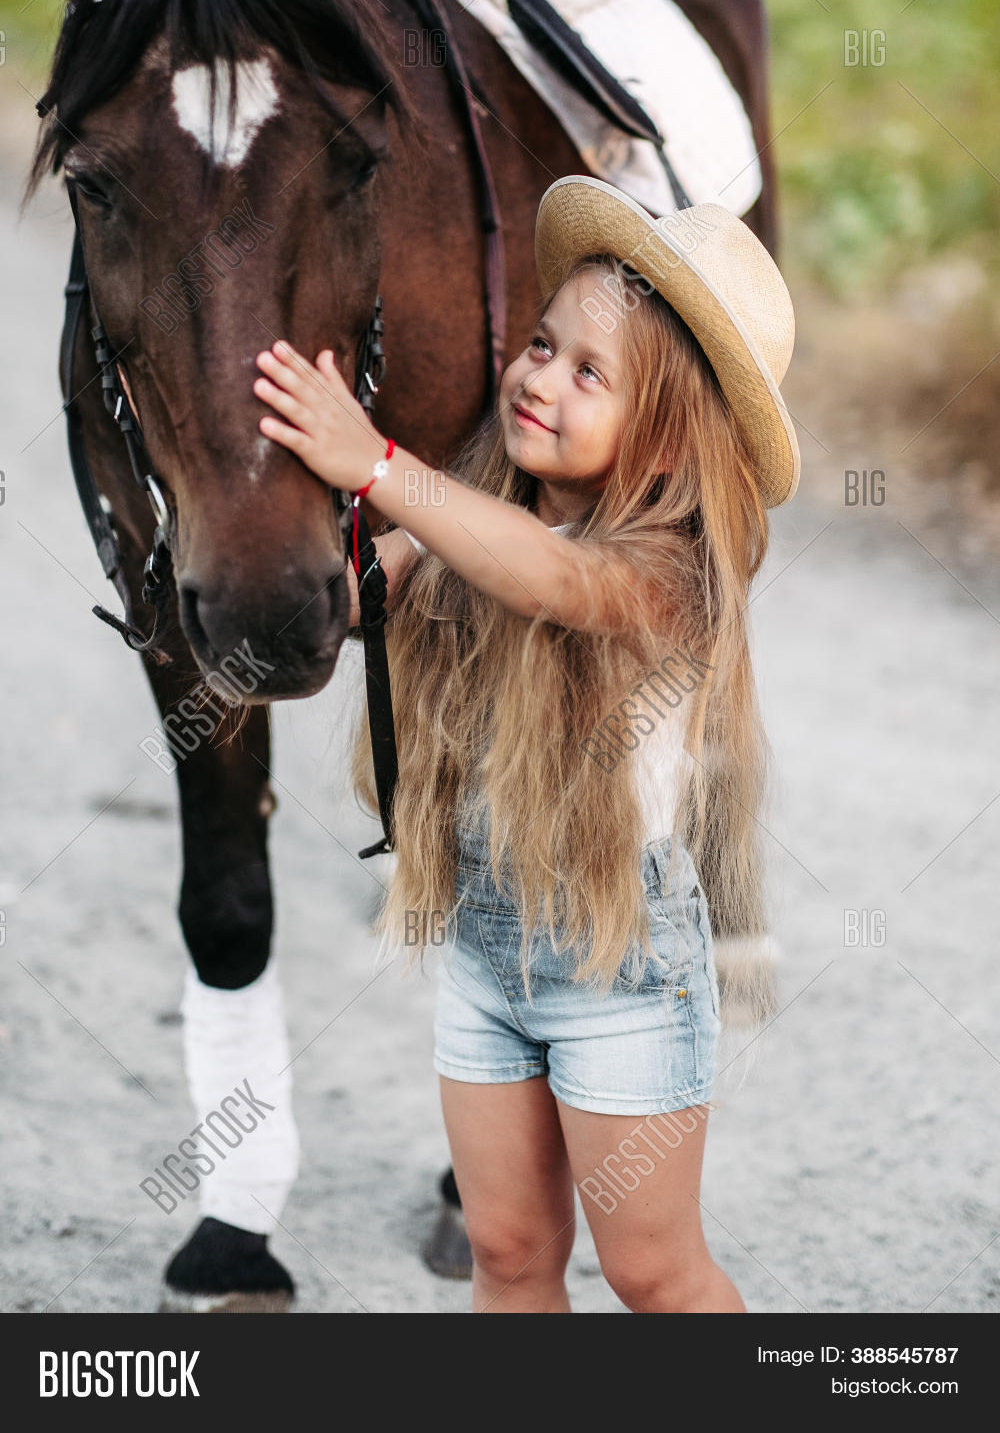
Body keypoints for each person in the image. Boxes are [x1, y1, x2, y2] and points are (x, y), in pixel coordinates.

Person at [253, 174, 800, 1313]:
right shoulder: (477, 507)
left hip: (620, 958)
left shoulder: (674, 571)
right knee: (505, 1253)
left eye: (586, 372)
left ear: (664, 444)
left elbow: (553, 580)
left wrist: (380, 466)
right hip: (484, 941)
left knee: (654, 1272)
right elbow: (361, 594)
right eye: (543, 345)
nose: (539, 376)